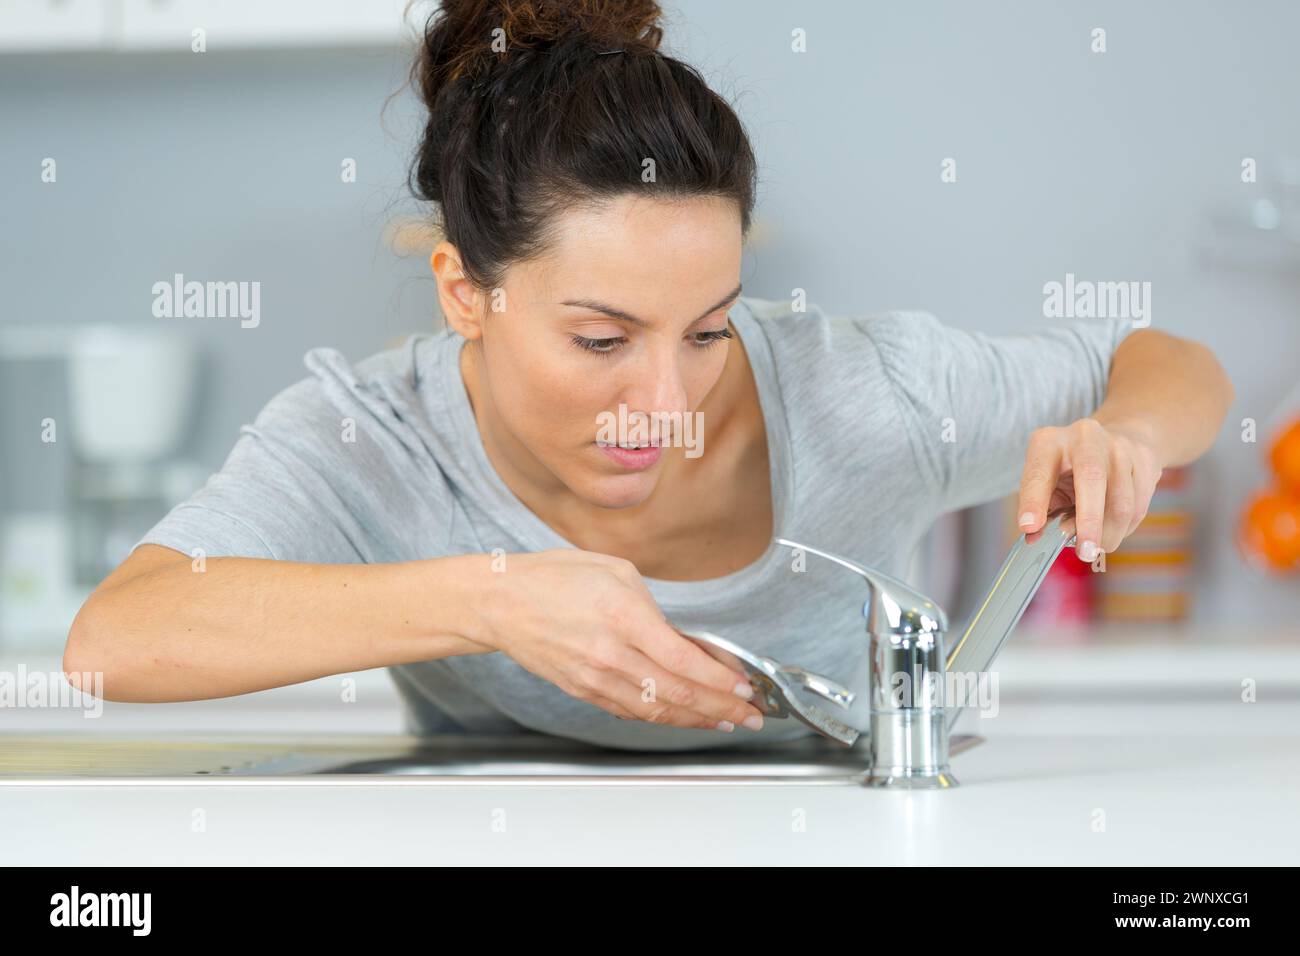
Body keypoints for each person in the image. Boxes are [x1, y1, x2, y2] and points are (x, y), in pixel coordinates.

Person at [64, 0, 1234, 751]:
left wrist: (1126, 428)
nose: (668, 408)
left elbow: (1168, 362)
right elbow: (114, 639)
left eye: (710, 329)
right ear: (465, 292)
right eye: (601, 339)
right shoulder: (375, 435)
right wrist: (490, 596)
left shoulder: (863, 393)